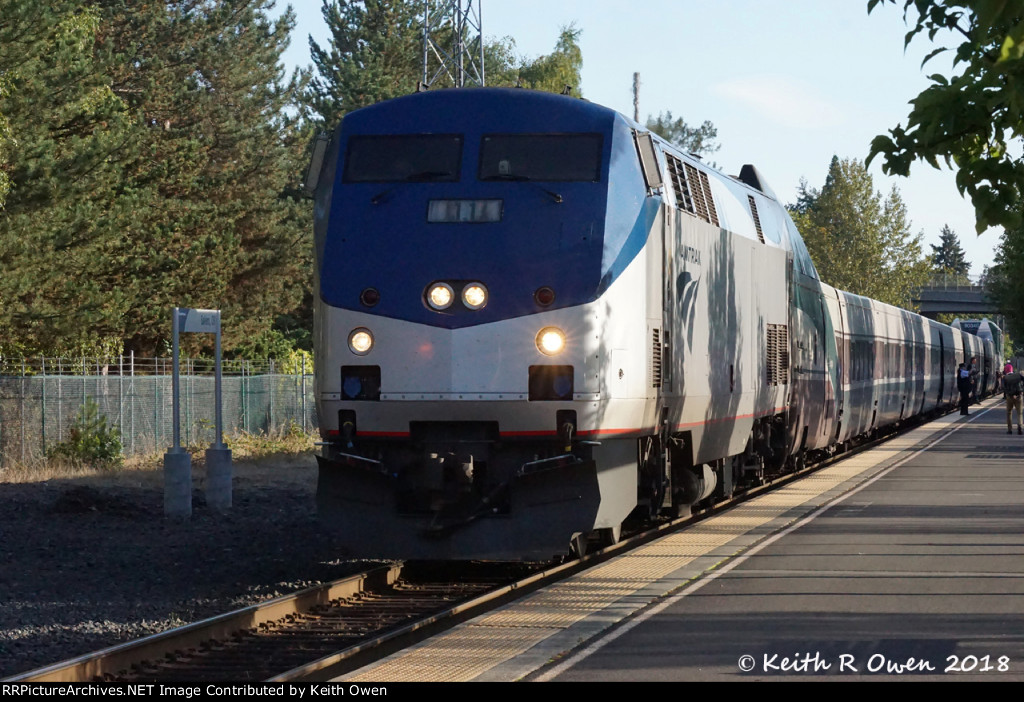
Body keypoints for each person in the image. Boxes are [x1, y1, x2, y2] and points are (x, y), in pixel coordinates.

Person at [1004, 363, 1023, 434]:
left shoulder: (1006, 377)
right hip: (1019, 396)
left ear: (1006, 370)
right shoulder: (1018, 375)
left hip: (1010, 397)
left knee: (1009, 412)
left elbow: (1004, 388)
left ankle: (1010, 429)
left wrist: (1011, 395)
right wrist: (1021, 391)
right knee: (1019, 413)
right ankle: (1020, 426)